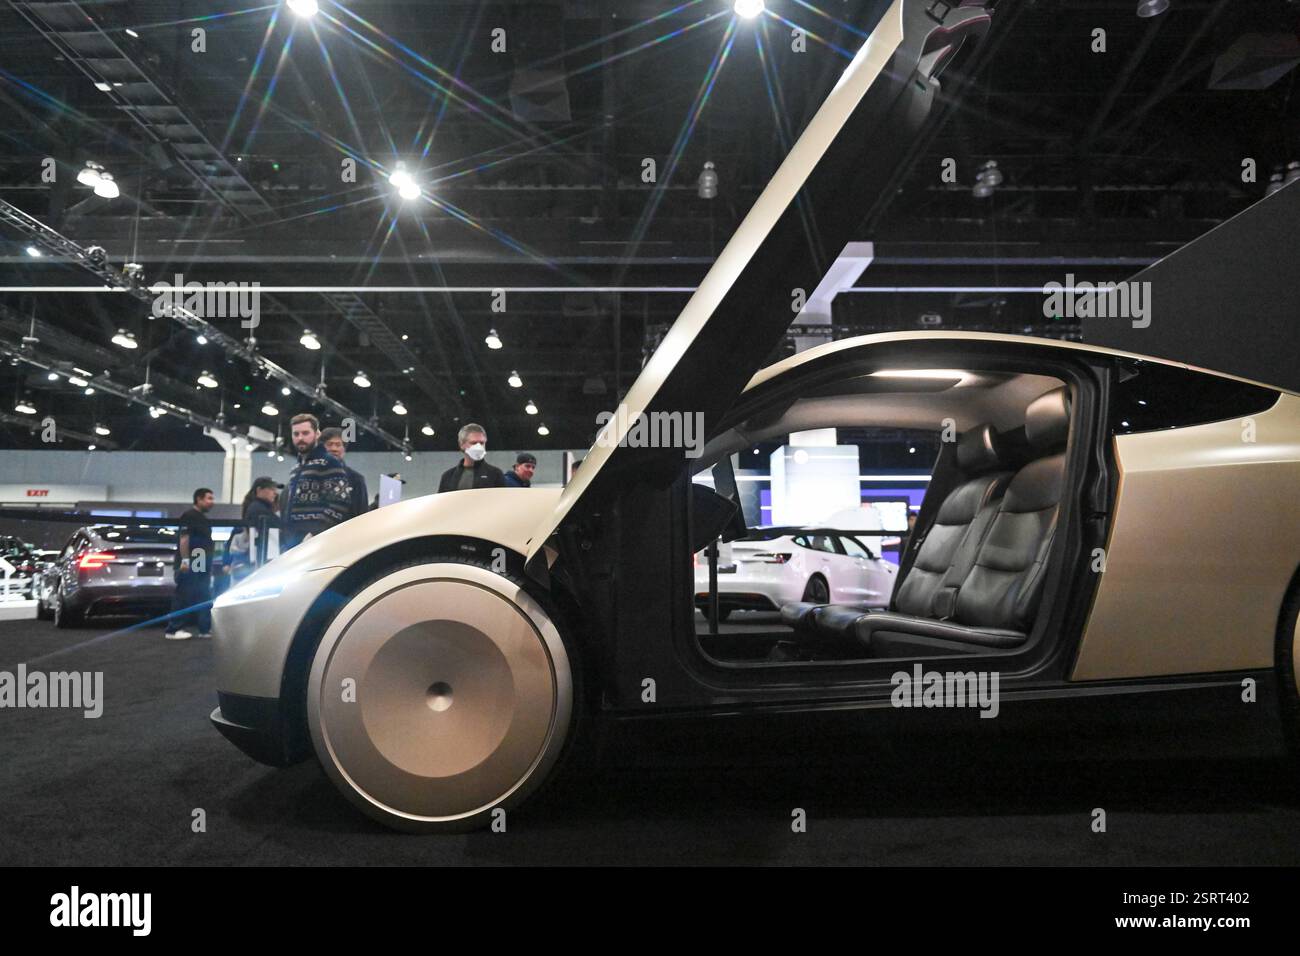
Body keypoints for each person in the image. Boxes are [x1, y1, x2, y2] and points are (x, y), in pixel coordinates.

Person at [281, 413, 354, 550]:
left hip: (316, 542)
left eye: (305, 433)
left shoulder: (330, 463)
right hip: (295, 542)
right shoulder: (296, 468)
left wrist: (316, 533)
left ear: (317, 434)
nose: (300, 438)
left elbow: (340, 502)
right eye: (296, 434)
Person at [165, 487, 215, 640]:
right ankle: (174, 629)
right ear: (199, 499)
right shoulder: (189, 516)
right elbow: (184, 539)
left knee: (202, 593)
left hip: (199, 558)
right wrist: (185, 561)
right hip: (192, 559)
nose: (212, 502)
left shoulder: (201, 518)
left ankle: (204, 629)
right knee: (184, 594)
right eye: (209, 498)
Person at [228, 477, 281, 580]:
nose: (274, 493)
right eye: (271, 489)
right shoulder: (259, 509)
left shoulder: (257, 507)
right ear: (259, 490)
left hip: (258, 558)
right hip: (260, 559)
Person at [437, 423, 506, 492]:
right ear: (462, 445)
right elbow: (442, 501)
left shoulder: (495, 474)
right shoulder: (448, 476)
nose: (479, 447)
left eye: (482, 443)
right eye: (473, 443)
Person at [320, 426, 370, 517]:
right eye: (329, 444)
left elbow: (362, 514)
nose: (334, 449)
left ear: (344, 449)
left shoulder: (356, 479)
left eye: (338, 445)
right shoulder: (310, 475)